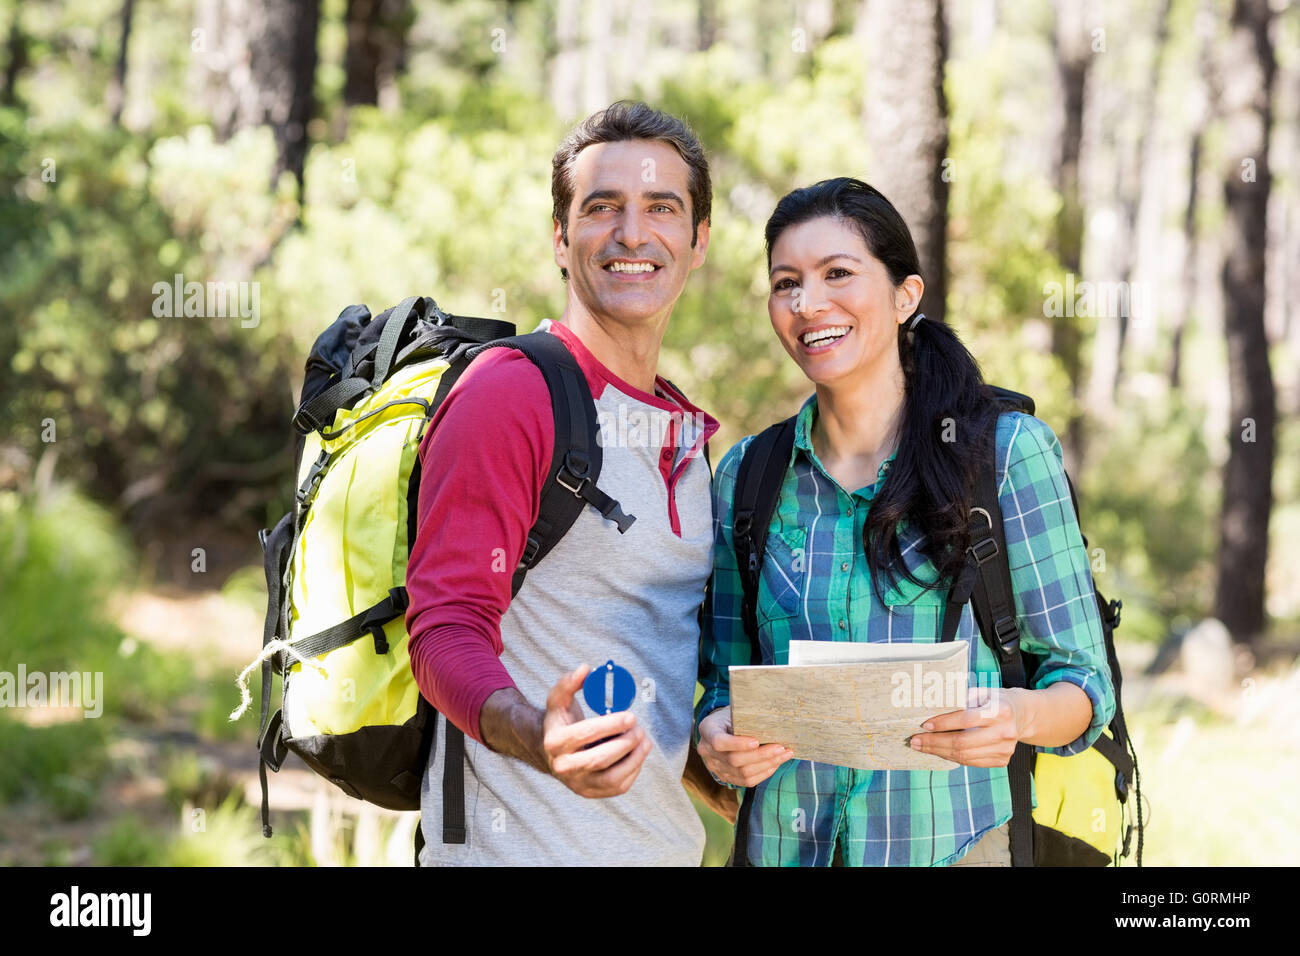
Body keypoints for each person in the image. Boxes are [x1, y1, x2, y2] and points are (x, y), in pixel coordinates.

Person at [695, 177, 1116, 867]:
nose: (808, 304)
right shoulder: (747, 475)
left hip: (954, 846)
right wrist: (716, 732)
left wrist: (1013, 718)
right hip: (779, 848)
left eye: (838, 274)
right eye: (786, 283)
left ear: (904, 296)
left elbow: (1082, 682)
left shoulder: (1004, 453)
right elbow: (725, 677)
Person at [404, 101, 735, 866]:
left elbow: (624, 650)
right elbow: (444, 628)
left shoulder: (685, 434)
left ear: (698, 242)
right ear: (560, 238)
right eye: (601, 208)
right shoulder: (510, 393)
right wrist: (538, 734)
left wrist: (695, 756)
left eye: (661, 208)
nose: (631, 234)